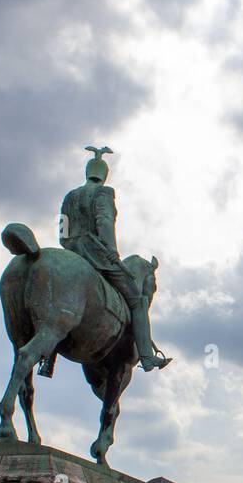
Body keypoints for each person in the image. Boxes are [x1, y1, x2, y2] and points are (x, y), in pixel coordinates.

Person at [59, 146, 170, 373]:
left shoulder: (69, 196)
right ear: (104, 175)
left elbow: (62, 233)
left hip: (71, 253)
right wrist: (111, 250)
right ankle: (147, 358)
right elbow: (105, 221)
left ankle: (47, 358)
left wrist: (72, 247)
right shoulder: (104, 193)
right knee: (138, 302)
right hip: (98, 255)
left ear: (87, 173)